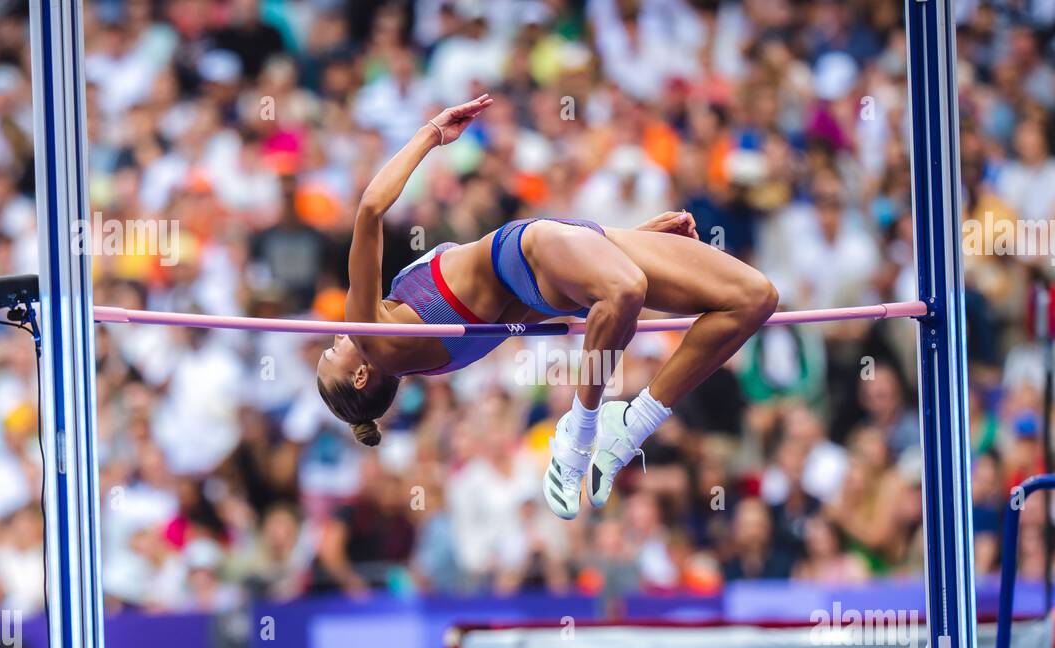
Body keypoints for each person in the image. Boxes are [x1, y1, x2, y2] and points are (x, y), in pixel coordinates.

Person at [315, 95, 778, 520]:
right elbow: (370, 209)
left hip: (559, 258)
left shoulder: (434, 355)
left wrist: (629, 243)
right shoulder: (374, 339)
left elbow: (522, 312)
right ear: (362, 376)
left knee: (755, 298)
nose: (337, 336)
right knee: (626, 291)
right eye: (333, 352)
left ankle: (631, 422)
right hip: (530, 249)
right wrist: (431, 133)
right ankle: (579, 433)